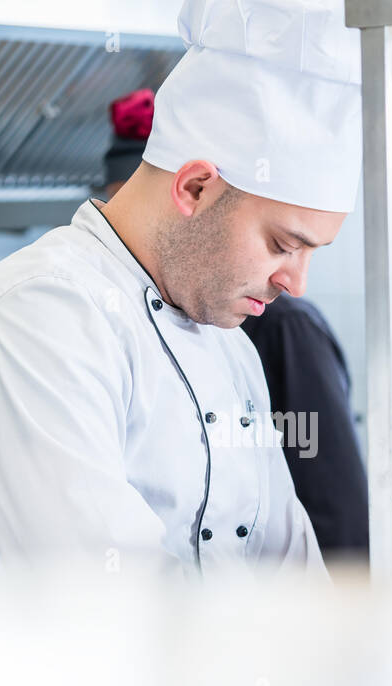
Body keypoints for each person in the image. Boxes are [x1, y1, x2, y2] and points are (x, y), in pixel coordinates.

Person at [0, 0, 360, 582]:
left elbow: (294, 576)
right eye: (282, 244)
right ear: (196, 187)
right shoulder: (40, 312)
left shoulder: (228, 346)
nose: (294, 283)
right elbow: (115, 600)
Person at [102, 88, 369, 561]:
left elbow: (327, 513)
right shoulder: (60, 313)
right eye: (284, 245)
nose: (295, 283)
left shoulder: (265, 331)